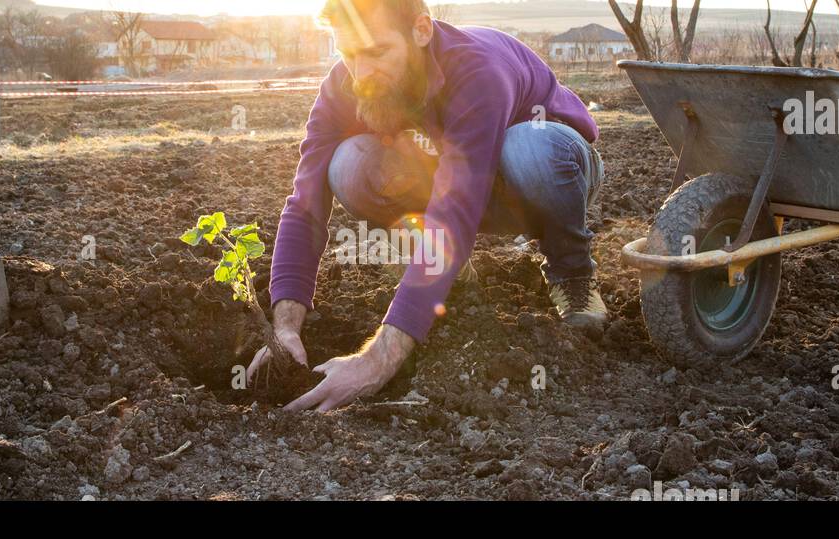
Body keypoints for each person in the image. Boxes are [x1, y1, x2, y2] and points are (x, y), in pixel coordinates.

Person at [247, 0, 606, 411]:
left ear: (421, 31)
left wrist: (378, 360)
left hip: (550, 171)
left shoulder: (477, 71)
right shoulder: (344, 84)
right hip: (458, 180)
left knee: (528, 150)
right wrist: (286, 327)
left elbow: (456, 208)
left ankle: (572, 272)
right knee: (349, 165)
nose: (361, 75)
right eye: (349, 55)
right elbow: (305, 203)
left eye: (378, 53)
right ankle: (448, 273)